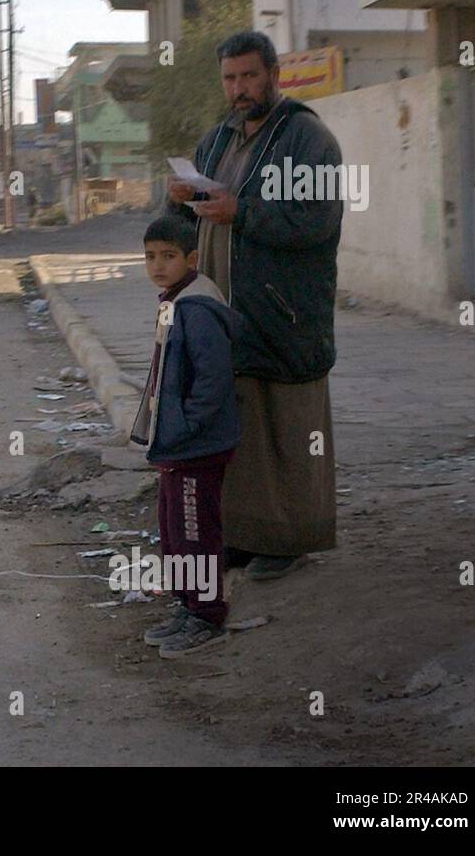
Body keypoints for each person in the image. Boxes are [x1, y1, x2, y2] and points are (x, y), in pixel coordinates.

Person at [167, 29, 343, 581]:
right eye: (230, 78)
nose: (239, 88)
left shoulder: (307, 139)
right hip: (226, 304)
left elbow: (315, 221)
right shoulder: (218, 139)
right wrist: (181, 201)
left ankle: (292, 538)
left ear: (274, 76)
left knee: (287, 424)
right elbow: (194, 214)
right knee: (239, 422)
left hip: (284, 308)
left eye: (248, 76)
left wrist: (239, 212)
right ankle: (246, 536)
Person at [130, 216, 240, 658]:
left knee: (196, 532)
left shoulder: (197, 310)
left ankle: (208, 616)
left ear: (191, 260)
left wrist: (188, 426)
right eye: (150, 256)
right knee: (173, 530)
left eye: (169, 256)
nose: (158, 265)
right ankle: (187, 605)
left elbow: (213, 381)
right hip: (176, 447)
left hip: (198, 447)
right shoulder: (174, 300)